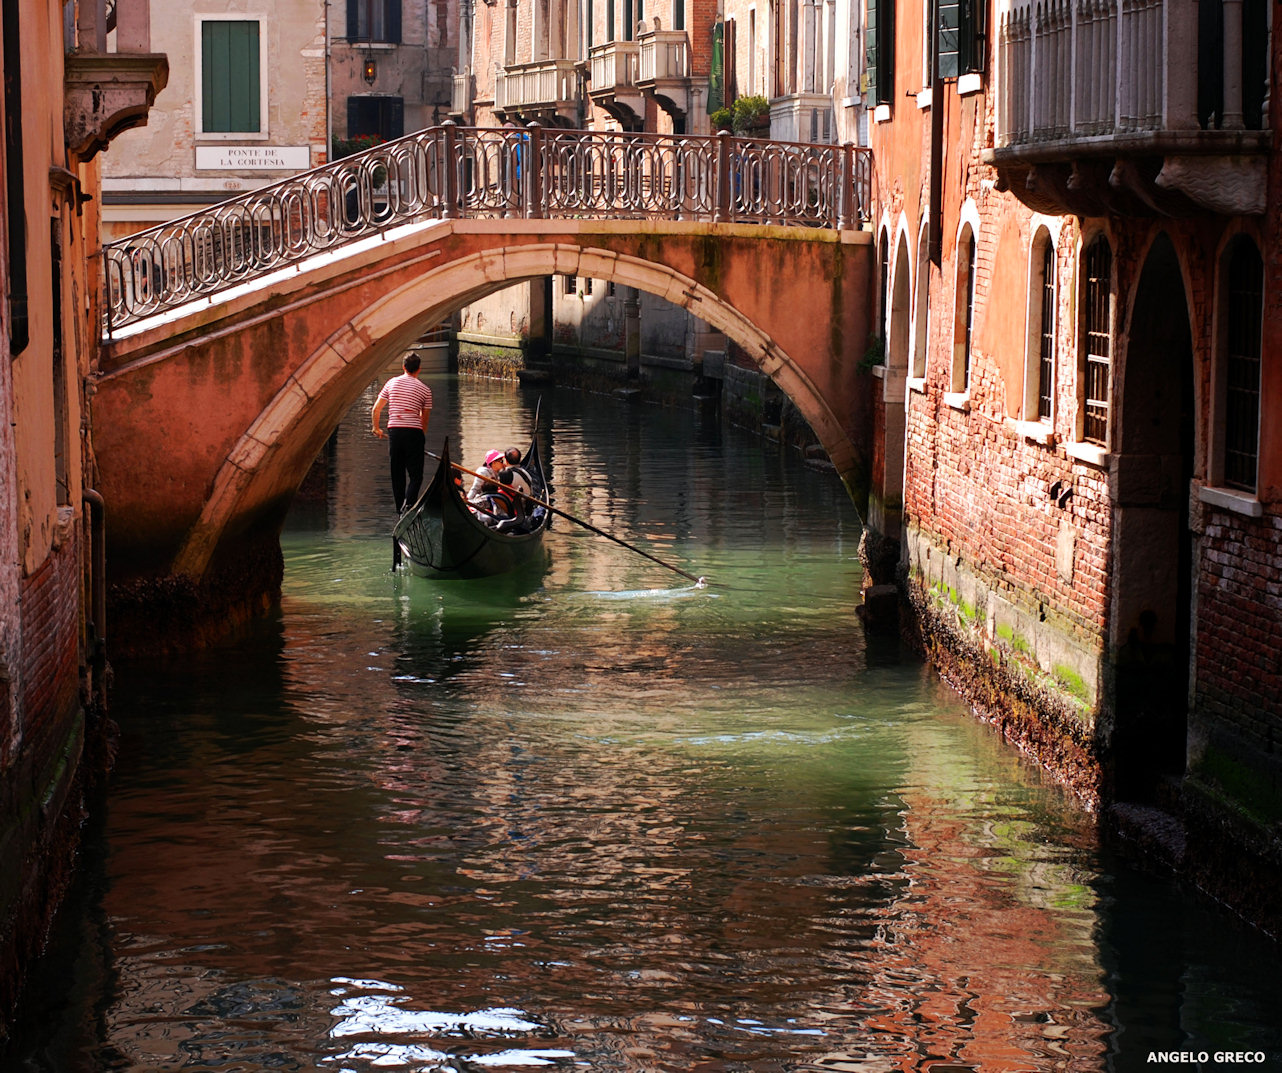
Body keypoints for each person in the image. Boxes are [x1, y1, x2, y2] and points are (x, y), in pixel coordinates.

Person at [371, 353, 433, 512]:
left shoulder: (391, 383)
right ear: (419, 369)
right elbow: (424, 419)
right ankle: (409, 506)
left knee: (397, 474)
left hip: (395, 432)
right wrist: (420, 438)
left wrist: (376, 428)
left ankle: (400, 509)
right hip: (414, 433)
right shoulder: (425, 390)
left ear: (403, 367)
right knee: (416, 476)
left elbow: (376, 409)